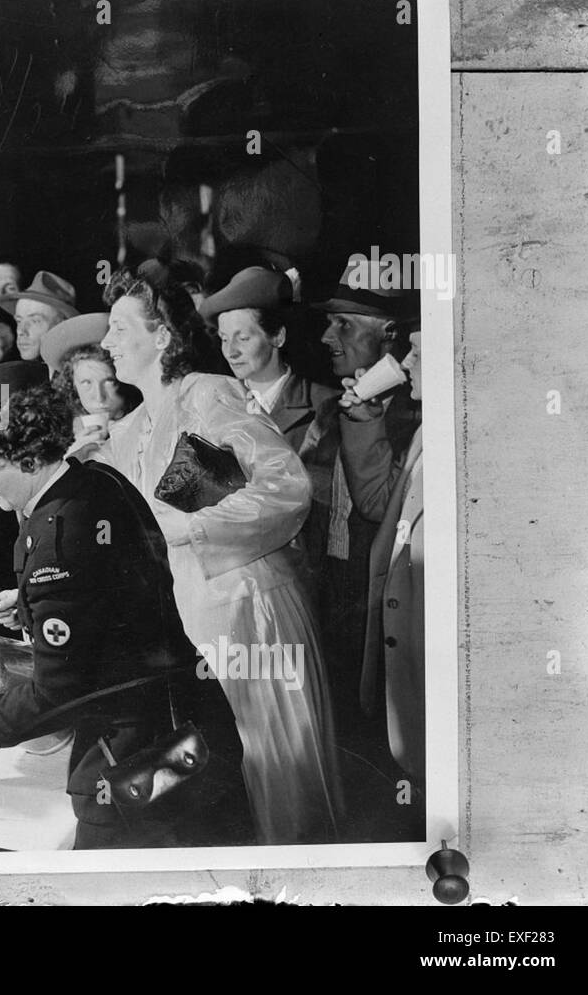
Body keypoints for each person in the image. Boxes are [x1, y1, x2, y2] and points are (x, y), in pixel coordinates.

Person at [0, 382, 253, 850]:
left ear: (28, 461)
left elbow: (58, 692)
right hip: (189, 724)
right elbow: (116, 594)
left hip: (143, 757)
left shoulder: (59, 536)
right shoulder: (97, 481)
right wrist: (30, 601)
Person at [92, 264, 340, 845]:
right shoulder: (125, 431)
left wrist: (192, 526)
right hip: (184, 624)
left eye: (119, 328)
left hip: (249, 610)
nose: (106, 343)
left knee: (272, 775)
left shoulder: (208, 393)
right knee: (212, 782)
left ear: (163, 337)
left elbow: (286, 485)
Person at [299, 255, 420, 777]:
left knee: (382, 741)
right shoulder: (330, 410)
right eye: (330, 323)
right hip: (327, 589)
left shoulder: (416, 414)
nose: (329, 337)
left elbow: (377, 503)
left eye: (343, 324)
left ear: (390, 333)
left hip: (380, 602)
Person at [343, 329, 425, 820]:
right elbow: (377, 502)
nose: (406, 361)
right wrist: (362, 415)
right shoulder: (424, 433)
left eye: (418, 351)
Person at [197, 266, 337, 454]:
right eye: (224, 339)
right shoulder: (216, 404)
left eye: (243, 338)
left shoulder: (326, 406)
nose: (230, 352)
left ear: (278, 336)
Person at [41, 312, 139, 446]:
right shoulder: (61, 434)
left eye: (109, 382)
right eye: (86, 383)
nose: (99, 397)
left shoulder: (148, 424)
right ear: (73, 385)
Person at [0, 270, 78, 363]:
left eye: (35, 321)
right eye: (19, 321)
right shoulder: (11, 372)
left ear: (62, 325)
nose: (21, 331)